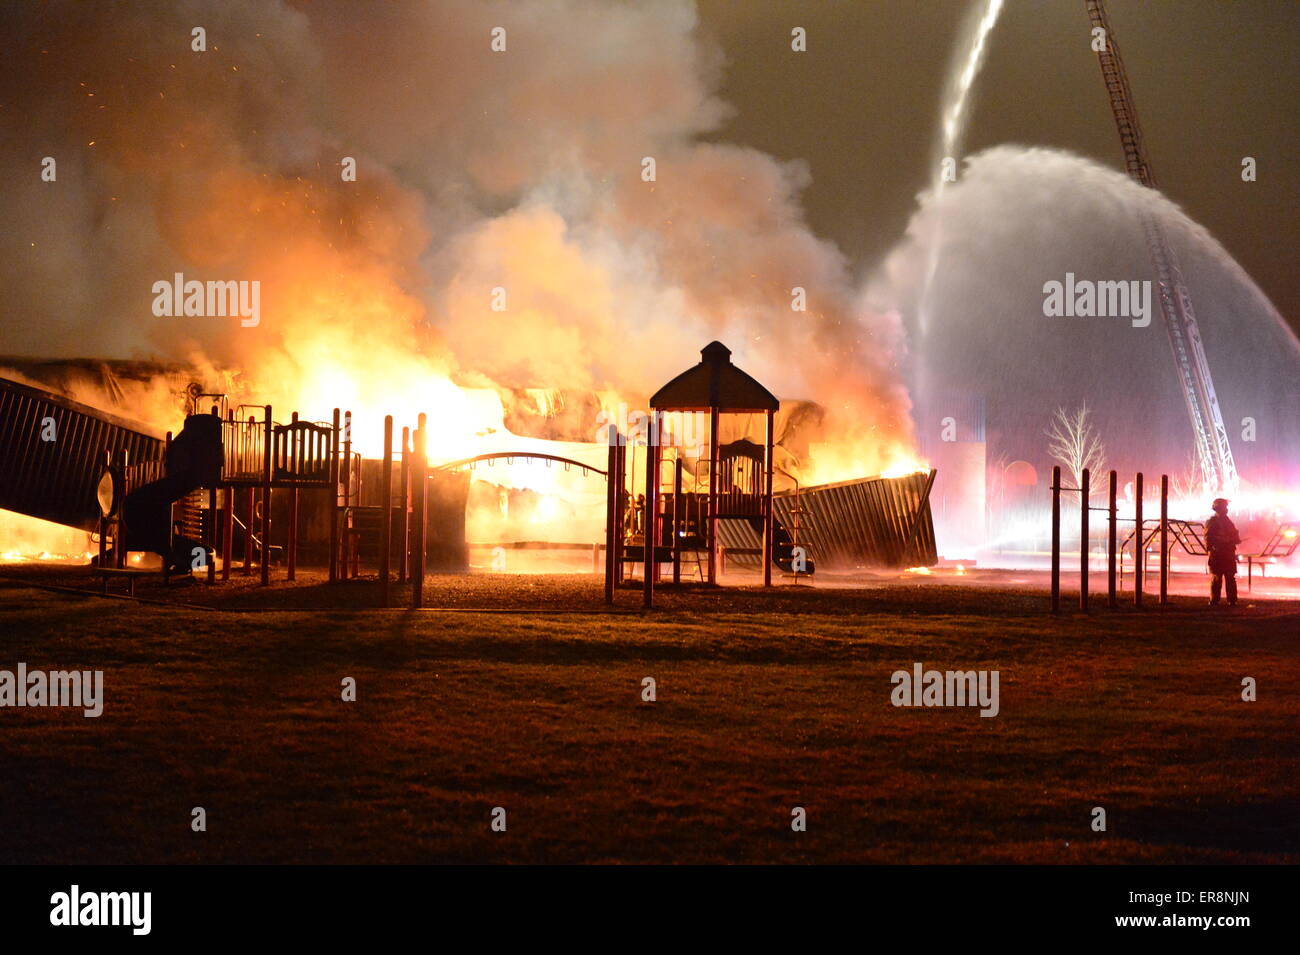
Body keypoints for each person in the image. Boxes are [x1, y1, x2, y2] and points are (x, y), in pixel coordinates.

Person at [1205, 498, 1240, 606]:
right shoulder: (1212, 522)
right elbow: (1208, 538)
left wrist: (1232, 539)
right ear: (1218, 508)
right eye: (1224, 507)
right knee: (1217, 577)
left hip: (1228, 553)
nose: (1226, 509)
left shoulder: (1228, 522)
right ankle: (1214, 600)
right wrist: (1214, 547)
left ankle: (1232, 600)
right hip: (1217, 553)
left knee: (1230, 577)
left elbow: (1235, 536)